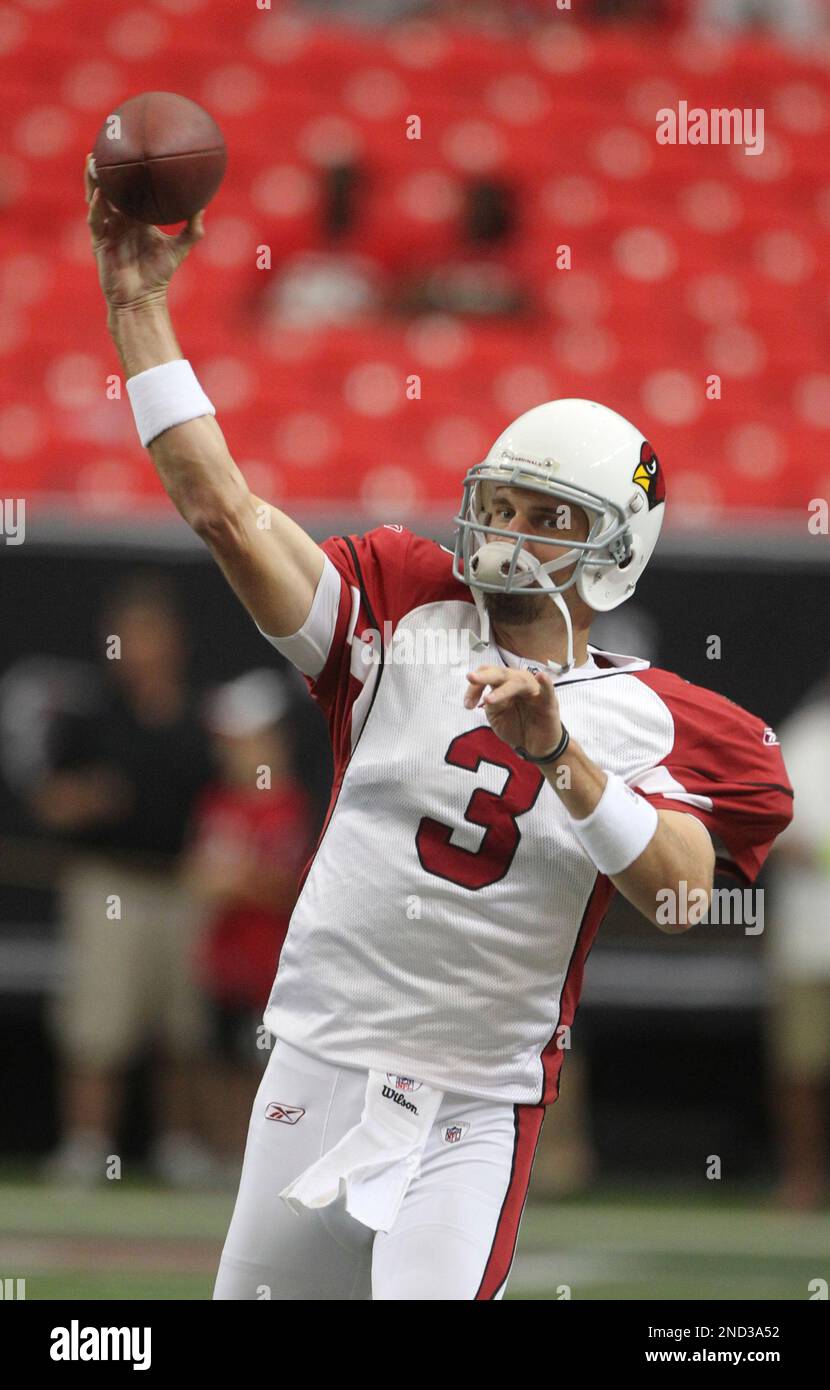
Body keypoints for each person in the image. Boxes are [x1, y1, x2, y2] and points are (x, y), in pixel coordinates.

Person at [84, 157, 793, 1299]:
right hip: (316, 1058)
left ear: (614, 549)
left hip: (474, 1098)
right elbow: (223, 510)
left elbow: (678, 892)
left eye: (547, 515)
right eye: (501, 500)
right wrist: (136, 302)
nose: (507, 528)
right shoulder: (401, 606)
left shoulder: (666, 717)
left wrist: (561, 755)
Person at [33, 574, 217, 1187]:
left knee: (182, 1026)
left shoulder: (200, 718)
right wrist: (88, 798)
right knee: (98, 1024)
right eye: (128, 635)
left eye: (150, 634)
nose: (139, 647)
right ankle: (88, 1145)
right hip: (108, 882)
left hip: (186, 887)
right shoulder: (89, 714)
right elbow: (50, 802)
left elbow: (231, 802)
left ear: (174, 641)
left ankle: (179, 1145)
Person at [183, 670, 312, 1175]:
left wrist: (238, 882)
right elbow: (196, 874)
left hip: (275, 964)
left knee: (271, 1066)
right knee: (220, 1060)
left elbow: (291, 887)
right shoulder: (218, 801)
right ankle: (225, 1157)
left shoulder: (291, 803)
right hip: (224, 958)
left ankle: (273, 1162)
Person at [765, 678, 830, 1210]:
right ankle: (803, 1183)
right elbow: (771, 827)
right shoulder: (802, 741)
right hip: (808, 942)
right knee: (801, 1071)